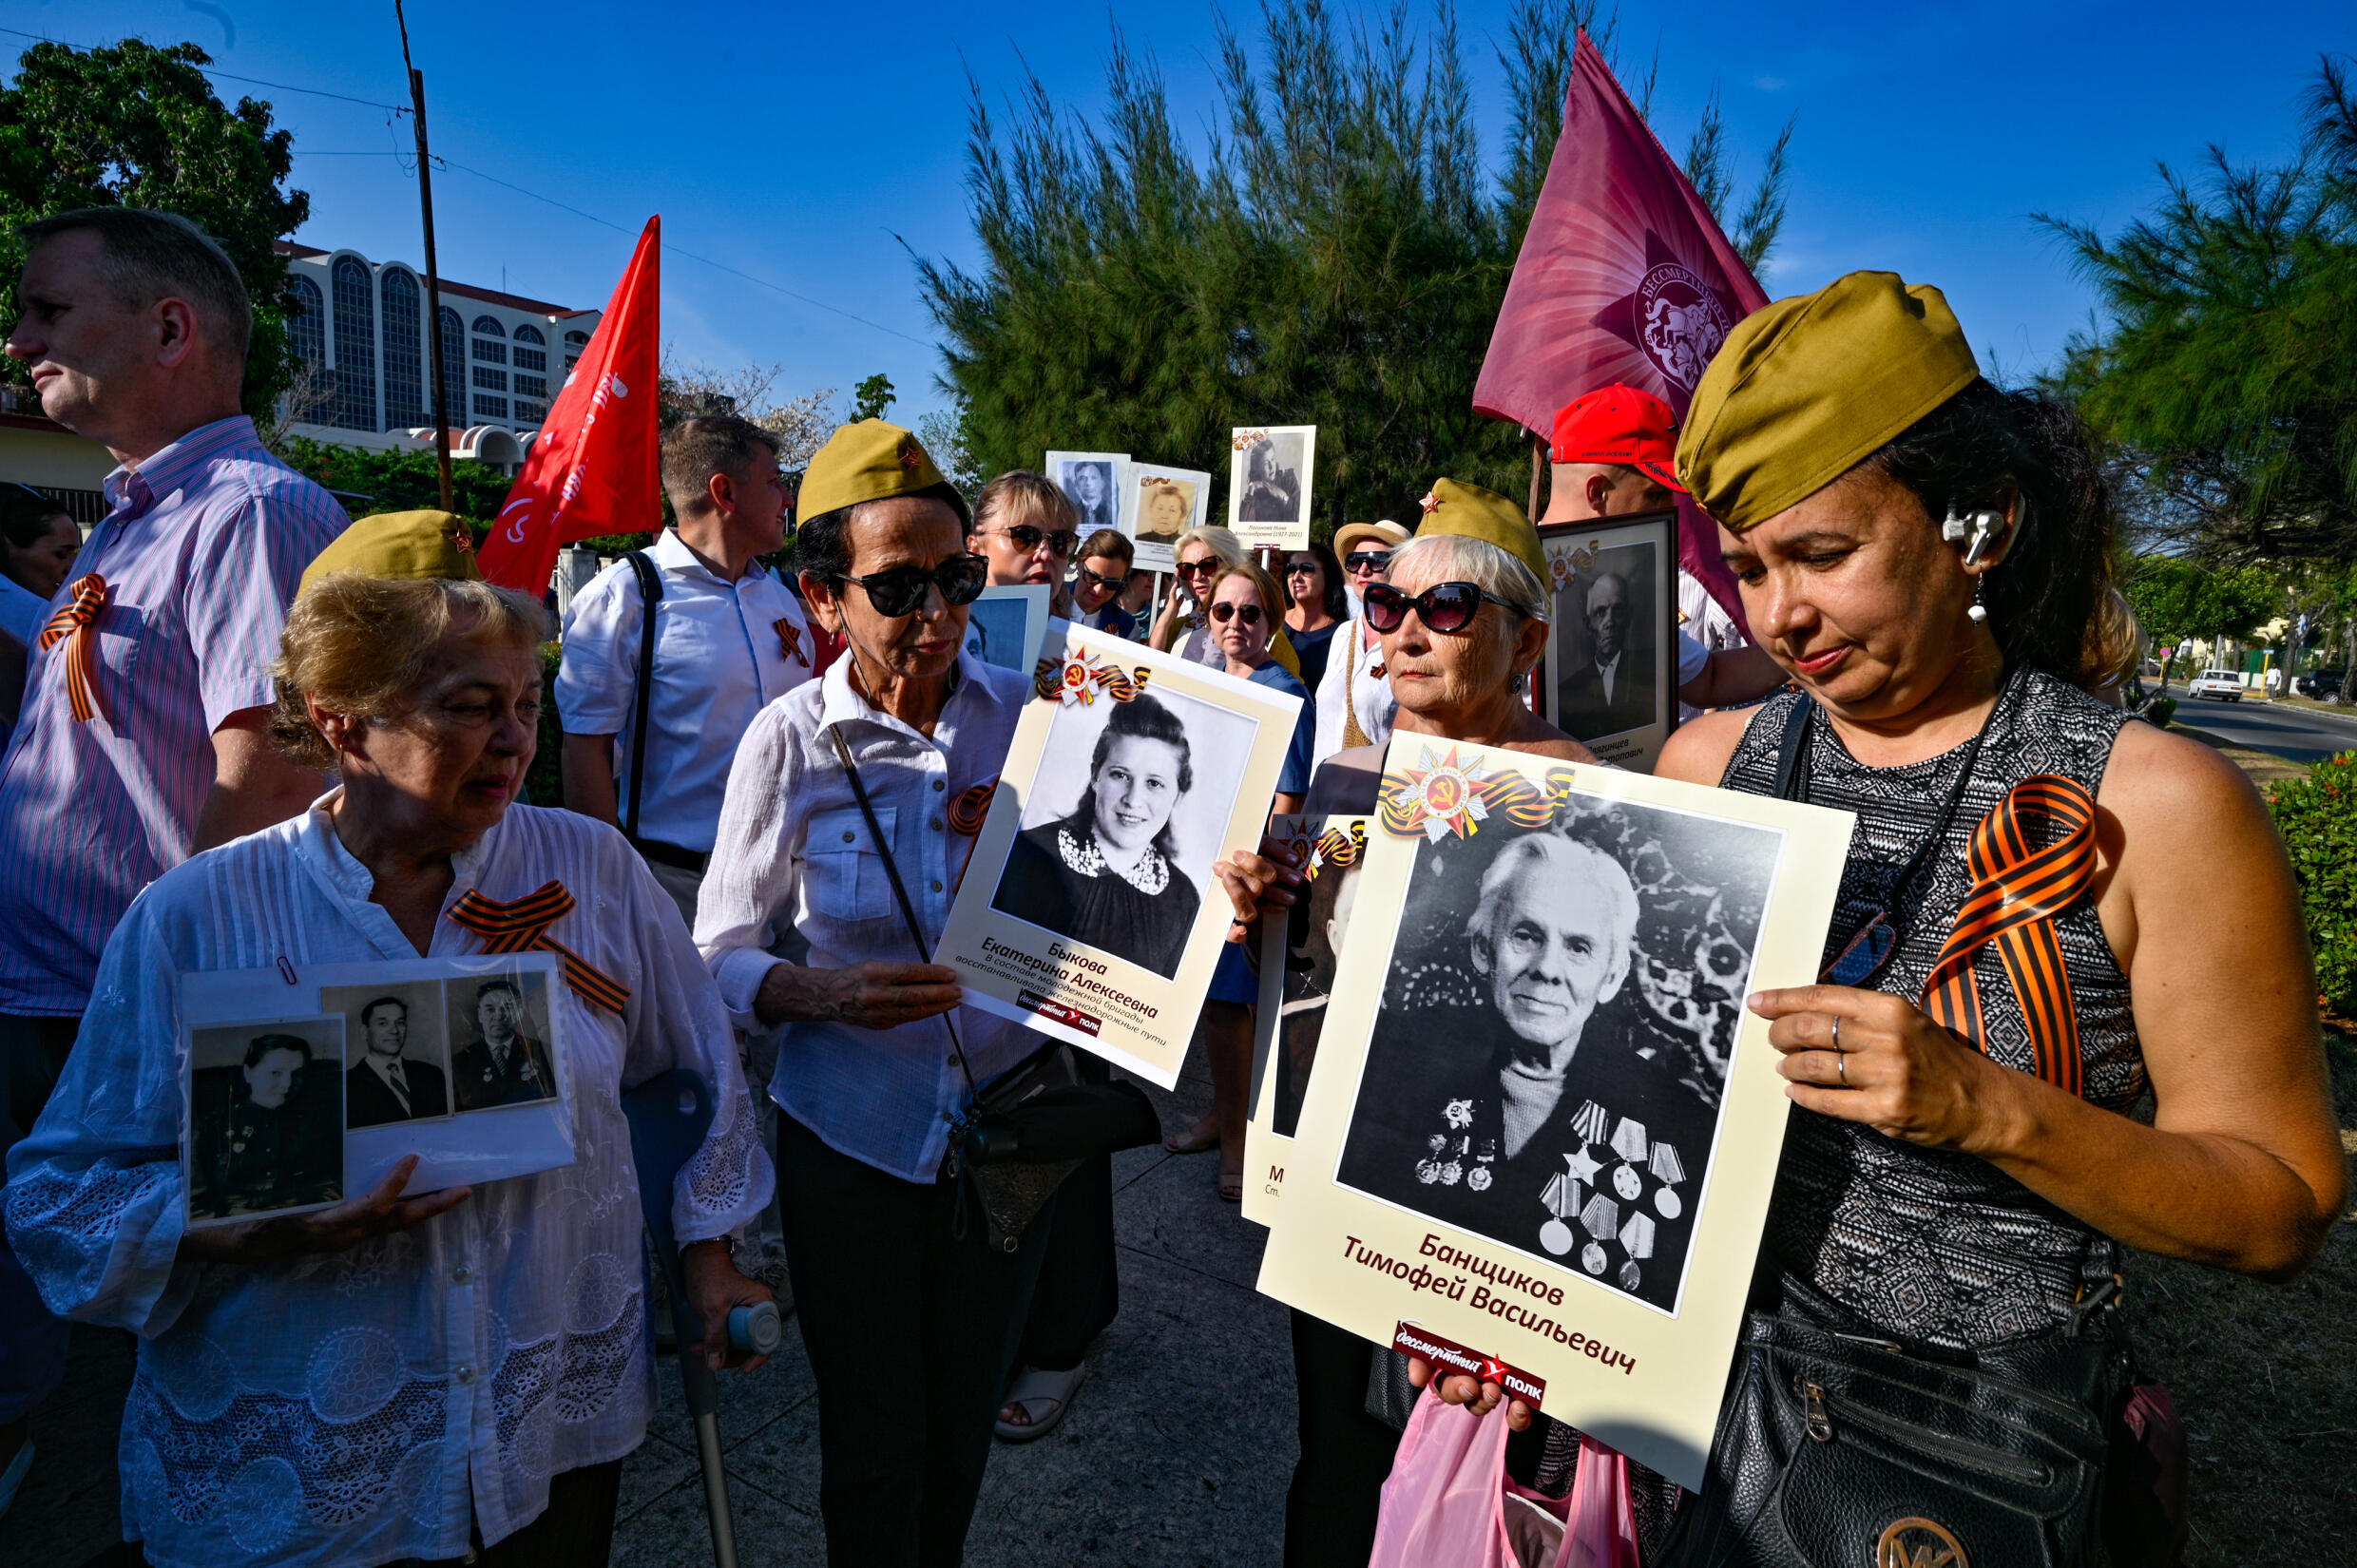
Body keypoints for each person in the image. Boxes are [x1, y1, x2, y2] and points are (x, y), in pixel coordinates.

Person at [1451, 272, 2350, 1560]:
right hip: (1677, 1431)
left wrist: (1984, 1106)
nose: (1780, 615)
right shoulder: (1710, 766)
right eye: (1749, 566)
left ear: (1978, 527)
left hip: (1950, 1469)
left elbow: (2281, 1203)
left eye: (1823, 555)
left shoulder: (2153, 805)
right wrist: (1498, 1299)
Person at [3, 517, 776, 1566]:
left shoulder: (590, 867)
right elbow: (61, 1197)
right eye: (470, 707)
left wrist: (710, 1252)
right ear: (340, 719)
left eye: (527, 704)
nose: (516, 741)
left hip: (545, 1427)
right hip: (316, 1469)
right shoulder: (200, 915)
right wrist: (232, 1230)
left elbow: (695, 1073)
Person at [0, 207, 347, 1514]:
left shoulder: (256, 512)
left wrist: (161, 1008)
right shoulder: (129, 516)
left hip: (124, 1024)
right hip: (56, 1001)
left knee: (139, 1374)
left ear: (167, 327)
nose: (18, 338)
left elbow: (276, 774)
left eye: (47, 308)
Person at [1214, 478, 1600, 1568]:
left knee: (1471, 1477)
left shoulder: (1586, 796)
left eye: (1448, 609)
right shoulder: (1350, 778)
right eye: (1386, 606)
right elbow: (1312, 952)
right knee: (1335, 1449)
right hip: (1345, 1170)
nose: (1405, 634)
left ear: (1527, 642)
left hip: (1499, 1204)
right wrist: (1263, 902)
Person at [695, 419, 1049, 1567]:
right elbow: (718, 953)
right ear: (823, 596)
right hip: (850, 1140)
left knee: (959, 1426)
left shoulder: (1032, 719)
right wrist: (818, 993)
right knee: (871, 1435)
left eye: (958, 579)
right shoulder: (787, 741)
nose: (937, 615)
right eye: (897, 589)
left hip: (1005, 1136)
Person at [1333, 832, 1715, 1310]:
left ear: (1612, 976)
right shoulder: (1388, 1059)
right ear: (1483, 948)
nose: (1547, 969)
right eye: (1527, 935)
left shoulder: (1682, 1127)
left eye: (1579, 947)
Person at [557, 415, 814, 923]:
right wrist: (608, 884)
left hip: (791, 880)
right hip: (674, 886)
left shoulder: (780, 597)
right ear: (725, 492)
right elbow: (585, 749)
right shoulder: (626, 597)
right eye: (774, 482)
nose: (788, 499)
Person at [1162, 558, 1314, 1201]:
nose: (1235, 623)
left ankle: (1239, 1141)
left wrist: (1259, 881)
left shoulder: (1286, 691)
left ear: (1272, 621)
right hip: (1195, 863)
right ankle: (1223, 1116)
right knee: (1210, 1001)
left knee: (1230, 1005)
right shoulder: (1205, 681)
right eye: (1222, 610)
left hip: (1244, 876)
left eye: (1250, 612)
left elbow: (1289, 800)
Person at [1543, 383, 1785, 716]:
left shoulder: (1631, 588)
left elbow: (1709, 678)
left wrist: (1804, 645)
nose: (1670, 510)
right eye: (1655, 494)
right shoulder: (1503, 582)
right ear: (1598, 493)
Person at [992, 693, 1204, 977]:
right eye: (1120, 775)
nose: (1133, 800)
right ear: (1096, 776)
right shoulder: (1026, 853)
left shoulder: (1183, 899)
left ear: (1177, 795)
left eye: (1154, 783)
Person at [188, 1032, 342, 1220]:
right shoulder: (213, 1126)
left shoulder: (318, 1123)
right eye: (276, 1073)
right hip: (235, 1222)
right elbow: (195, 1203)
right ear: (248, 1073)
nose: (287, 1084)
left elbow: (332, 1186)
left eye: (297, 1074)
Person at [1312, 519, 1409, 768]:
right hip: (1324, 784)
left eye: (1376, 560)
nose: (1363, 570)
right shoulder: (1343, 634)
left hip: (1375, 786)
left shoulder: (1411, 640)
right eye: (1355, 561)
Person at [0, 486, 78, 737]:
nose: (72, 568)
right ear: (9, 546)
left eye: (75, 554)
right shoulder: (43, 617)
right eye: (60, 554)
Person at [971, 469, 1081, 616]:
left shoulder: (1077, 629)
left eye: (1060, 541)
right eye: (1025, 537)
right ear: (976, 549)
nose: (1046, 555)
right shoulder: (946, 626)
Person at [449, 977, 560, 1112]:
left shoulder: (543, 1051)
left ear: (517, 1013)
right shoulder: (461, 1061)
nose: (499, 1015)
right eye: (490, 1009)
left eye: (507, 1007)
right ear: (480, 1015)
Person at [344, 994, 450, 1127]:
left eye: (400, 1023)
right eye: (383, 1023)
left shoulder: (432, 1074)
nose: (394, 1031)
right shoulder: (347, 1085)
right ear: (364, 1032)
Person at [1281, 540, 1347, 694]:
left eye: (1307, 569)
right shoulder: (1271, 625)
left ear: (1328, 576)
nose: (1296, 576)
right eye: (1291, 569)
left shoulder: (1343, 634)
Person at [1069, 526, 1139, 638]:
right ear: (1078, 562)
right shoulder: (1049, 601)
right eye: (1093, 577)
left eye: (1112, 583)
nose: (1099, 590)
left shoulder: (1127, 627)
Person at [1237, 436, 1302, 524]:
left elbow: (1301, 516)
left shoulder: (1288, 480)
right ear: (1257, 468)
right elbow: (1243, 525)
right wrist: (1251, 489)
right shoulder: (1255, 493)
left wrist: (1282, 496)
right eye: (1265, 463)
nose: (1271, 466)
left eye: (1272, 459)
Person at [1064, 459, 1119, 536]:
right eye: (1082, 478)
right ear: (1076, 485)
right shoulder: (1070, 513)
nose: (1088, 483)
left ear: (1102, 483)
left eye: (1093, 477)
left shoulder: (1111, 511)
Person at [1135, 478, 1192, 545]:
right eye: (1160, 508)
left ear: (1182, 515)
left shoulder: (1188, 545)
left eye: (1172, 510)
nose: (1164, 516)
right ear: (1151, 510)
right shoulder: (1136, 540)